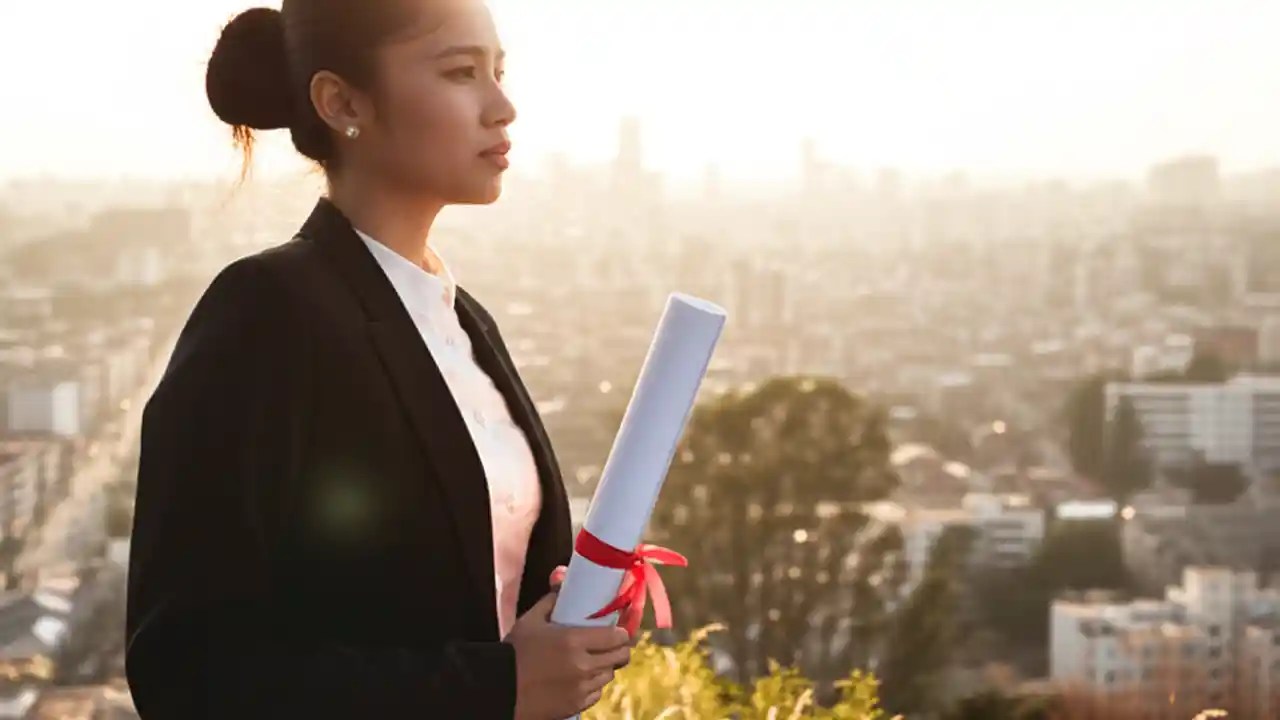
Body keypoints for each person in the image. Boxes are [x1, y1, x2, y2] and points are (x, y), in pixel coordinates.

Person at [124, 1, 633, 717]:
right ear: (341, 102)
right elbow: (186, 672)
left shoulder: (461, 320)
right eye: (461, 73)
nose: (503, 107)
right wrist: (497, 686)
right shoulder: (267, 311)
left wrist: (571, 628)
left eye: (499, 71)